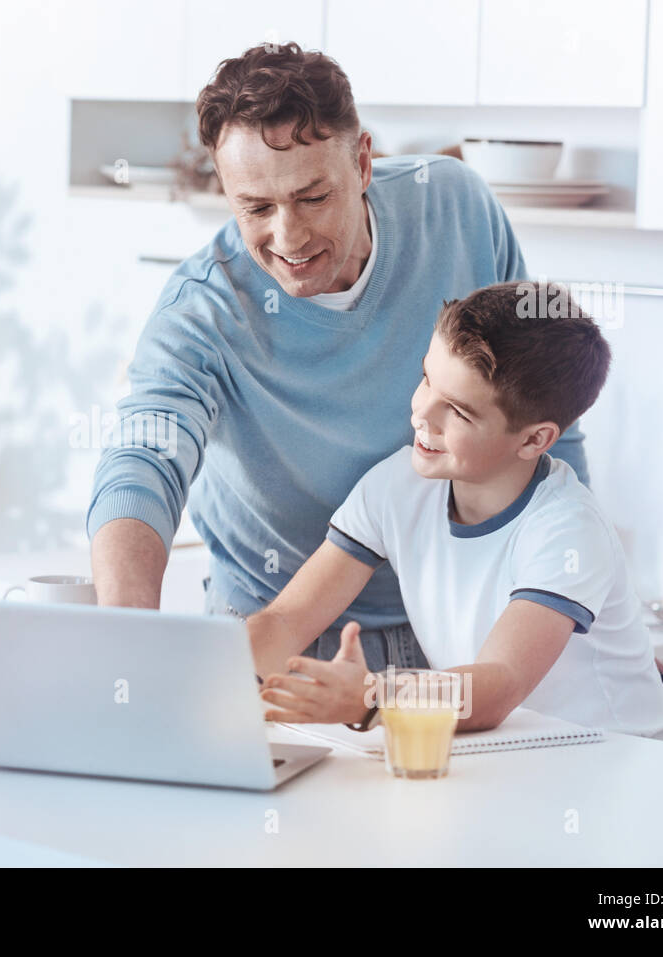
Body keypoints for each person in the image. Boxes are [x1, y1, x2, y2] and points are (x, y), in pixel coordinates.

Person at [86, 43, 590, 672]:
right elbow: (143, 458)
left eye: (313, 197)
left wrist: (577, 589)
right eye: (256, 208)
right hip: (279, 641)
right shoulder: (202, 311)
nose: (288, 237)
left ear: (362, 161)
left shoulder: (456, 207)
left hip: (465, 630)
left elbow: (546, 408)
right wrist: (126, 632)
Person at [253, 281, 663, 741]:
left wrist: (374, 696)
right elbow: (287, 620)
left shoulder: (567, 529)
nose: (421, 415)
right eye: (426, 379)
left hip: (619, 764)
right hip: (514, 760)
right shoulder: (398, 485)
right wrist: (215, 680)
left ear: (534, 439)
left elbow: (499, 682)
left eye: (456, 410)